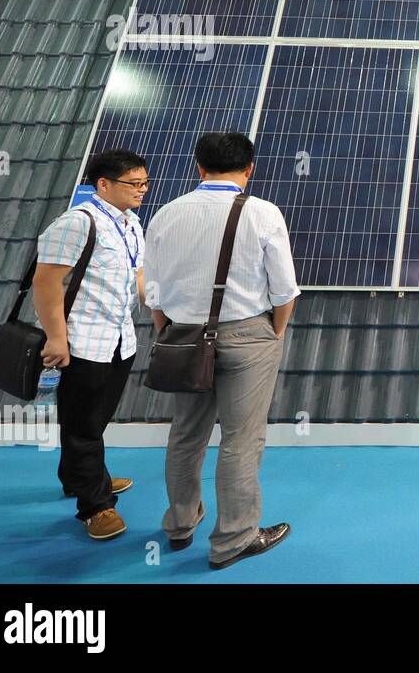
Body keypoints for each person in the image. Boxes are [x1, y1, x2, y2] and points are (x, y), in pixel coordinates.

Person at [143, 132, 300, 569]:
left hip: (183, 334)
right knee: (241, 438)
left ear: (198, 167)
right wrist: (272, 334)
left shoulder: (165, 215)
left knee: (186, 434)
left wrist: (171, 332)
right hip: (249, 334)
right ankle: (234, 539)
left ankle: (178, 525)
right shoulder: (262, 213)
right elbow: (285, 290)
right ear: (249, 169)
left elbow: (153, 294)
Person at [35, 148, 148, 539]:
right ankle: (95, 506)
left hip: (120, 340)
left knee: (95, 420)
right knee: (83, 425)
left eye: (145, 183)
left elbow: (137, 278)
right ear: (103, 184)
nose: (142, 190)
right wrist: (56, 338)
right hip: (83, 342)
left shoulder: (132, 224)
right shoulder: (77, 223)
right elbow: (46, 281)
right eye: (134, 183)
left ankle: (81, 476)